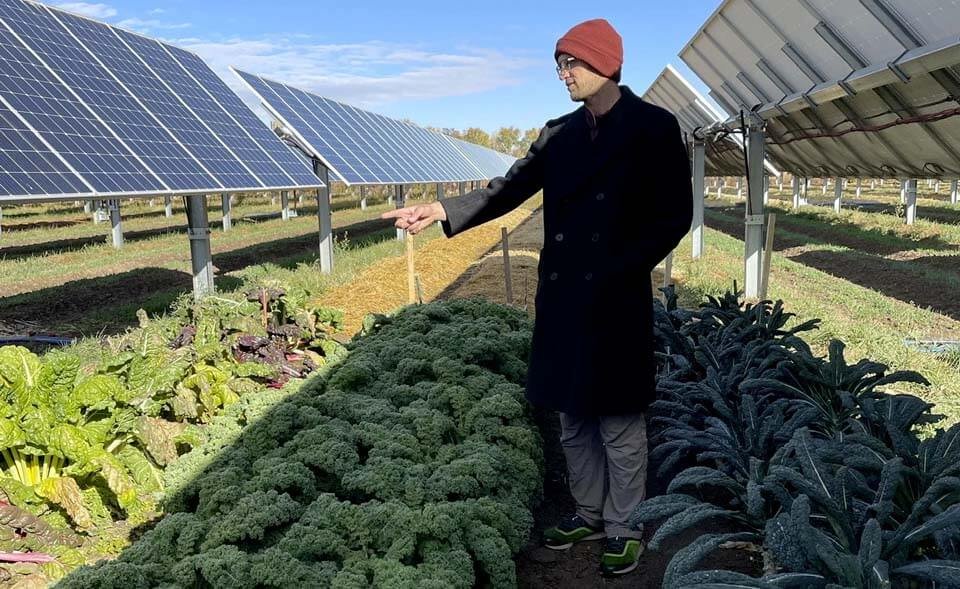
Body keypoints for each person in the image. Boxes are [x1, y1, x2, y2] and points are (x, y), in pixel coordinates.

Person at [382, 18, 693, 577]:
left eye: (571, 63)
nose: (563, 74)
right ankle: (588, 511)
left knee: (619, 420)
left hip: (617, 295)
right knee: (573, 417)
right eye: (559, 64)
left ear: (605, 63)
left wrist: (621, 268)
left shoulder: (653, 127)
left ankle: (625, 526)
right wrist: (442, 212)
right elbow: (510, 188)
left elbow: (674, 214)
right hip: (564, 298)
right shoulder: (558, 133)